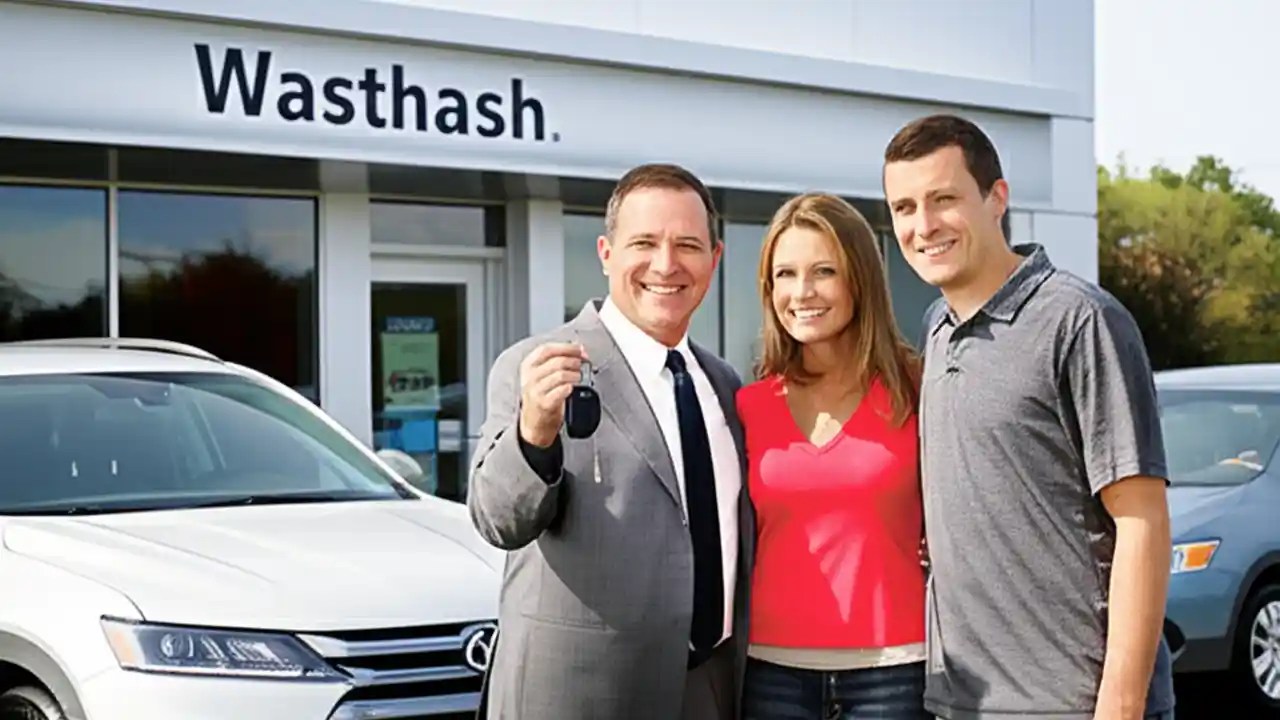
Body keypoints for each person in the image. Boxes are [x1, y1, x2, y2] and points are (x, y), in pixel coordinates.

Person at [881, 113, 1175, 720]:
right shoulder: (937, 328)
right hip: (964, 702)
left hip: (1073, 704)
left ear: (997, 198)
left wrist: (1120, 706)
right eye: (904, 207)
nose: (923, 225)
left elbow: (1143, 521)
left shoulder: (1080, 320)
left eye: (943, 199)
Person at [467, 162, 754, 720]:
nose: (665, 264)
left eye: (688, 245)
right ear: (605, 253)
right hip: (580, 696)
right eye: (644, 243)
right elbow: (498, 520)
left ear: (715, 260)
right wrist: (534, 432)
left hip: (710, 690)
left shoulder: (724, 384)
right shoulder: (538, 366)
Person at [736, 192, 930, 719]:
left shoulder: (918, 391)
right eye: (785, 274)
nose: (802, 292)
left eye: (823, 271)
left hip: (895, 672)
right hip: (770, 674)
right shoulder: (748, 406)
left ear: (859, 280)